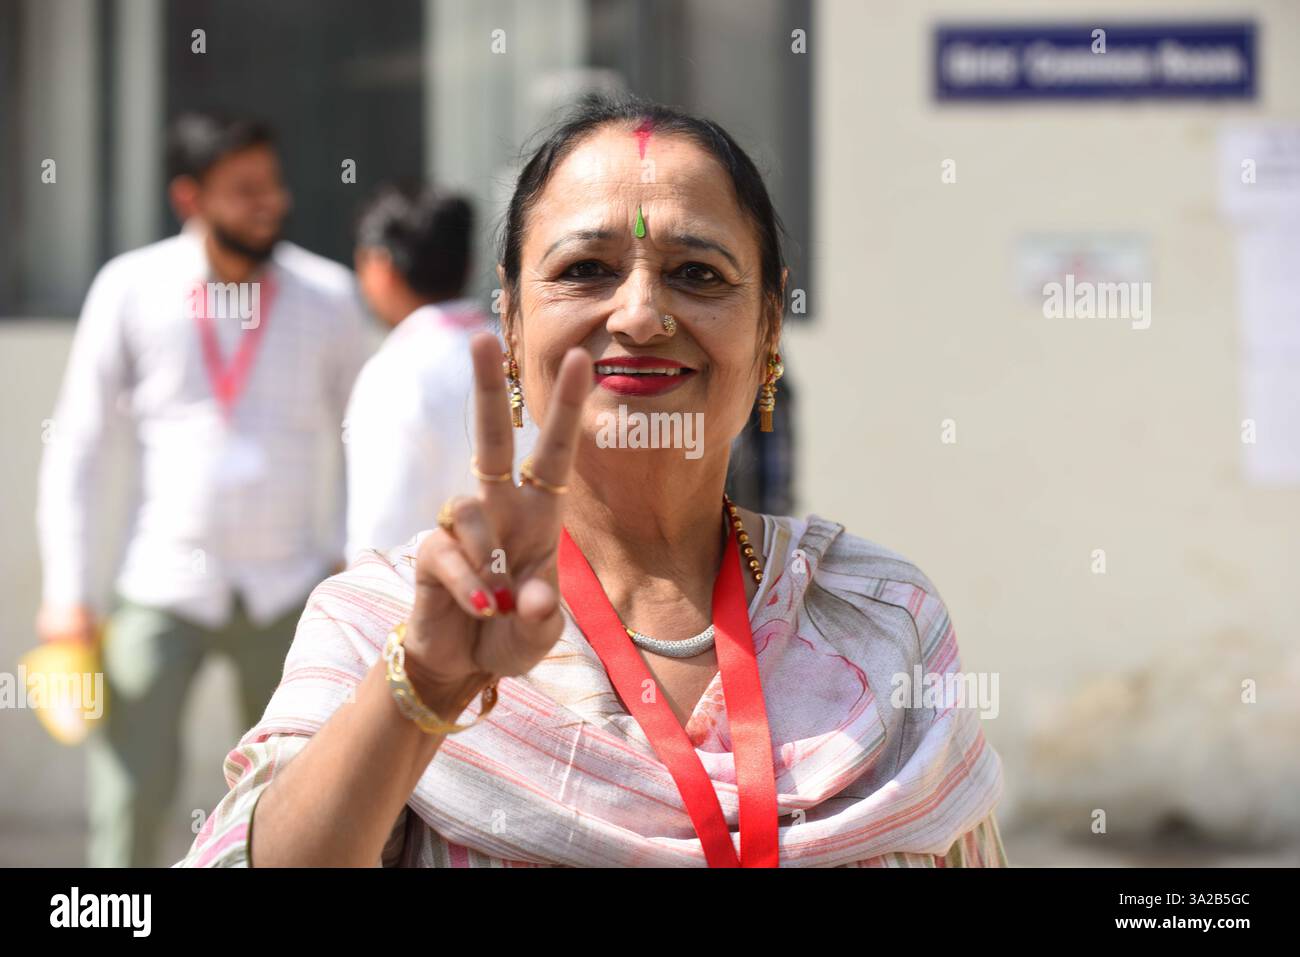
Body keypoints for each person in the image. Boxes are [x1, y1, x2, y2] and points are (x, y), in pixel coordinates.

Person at [178, 92, 1007, 868]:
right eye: (585, 269)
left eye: (698, 272)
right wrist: (422, 692)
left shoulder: (883, 618)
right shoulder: (383, 623)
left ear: (767, 328)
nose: (641, 315)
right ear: (509, 322)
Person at [36, 110, 374, 867]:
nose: (270, 202)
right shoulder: (130, 287)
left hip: (292, 591)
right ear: (190, 197)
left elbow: (367, 439)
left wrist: (350, 560)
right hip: (159, 585)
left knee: (294, 799)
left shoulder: (327, 296)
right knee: (130, 794)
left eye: (274, 184)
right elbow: (78, 448)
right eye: (244, 188)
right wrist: (67, 592)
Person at [344, 184, 535, 566]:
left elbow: (379, 548)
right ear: (466, 264)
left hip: (441, 604)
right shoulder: (524, 350)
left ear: (379, 268)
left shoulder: (393, 373)